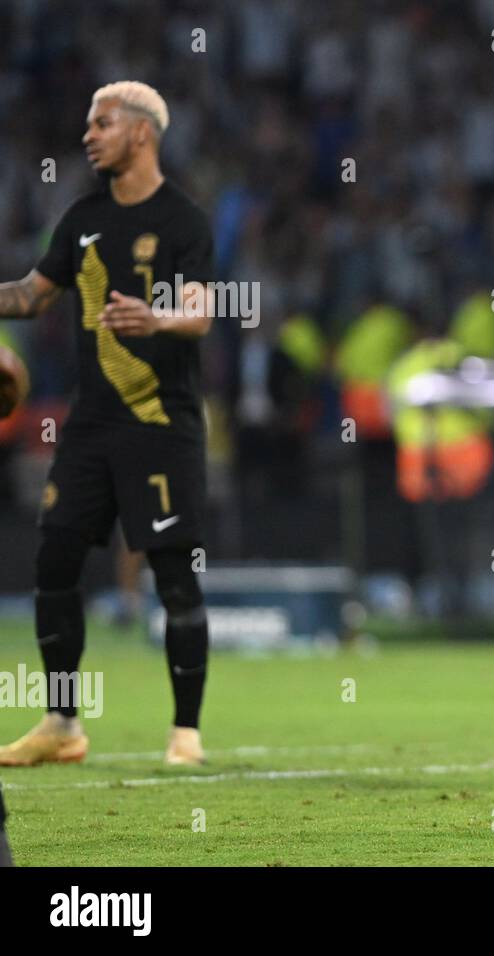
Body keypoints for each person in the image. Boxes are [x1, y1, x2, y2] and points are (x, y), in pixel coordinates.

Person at [0, 82, 214, 767]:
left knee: (174, 575)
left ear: (142, 132)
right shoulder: (83, 216)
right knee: (54, 562)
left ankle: (186, 731)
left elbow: (201, 312)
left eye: (103, 123)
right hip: (90, 425)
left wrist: (157, 319)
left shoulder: (183, 221)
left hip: (159, 422)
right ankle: (62, 722)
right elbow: (32, 297)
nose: (88, 134)